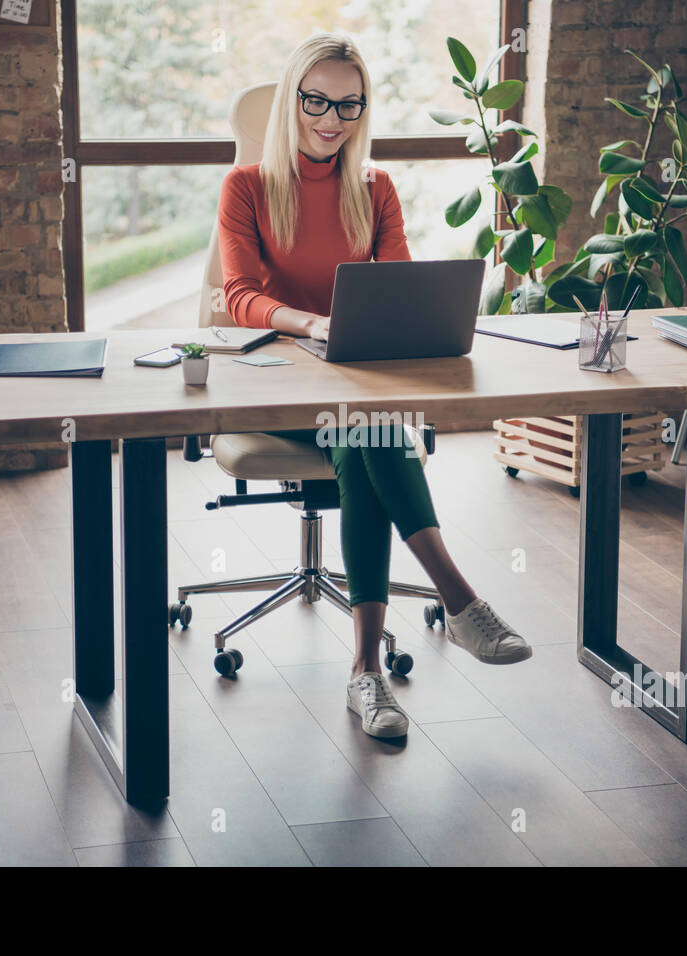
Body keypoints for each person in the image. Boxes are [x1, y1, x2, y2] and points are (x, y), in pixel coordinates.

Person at [216, 31, 530, 740]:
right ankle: (457, 603)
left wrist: (382, 327)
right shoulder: (247, 187)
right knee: (372, 433)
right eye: (317, 101)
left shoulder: (374, 188)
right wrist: (312, 323)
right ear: (292, 99)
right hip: (279, 388)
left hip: (359, 388)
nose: (332, 118)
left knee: (366, 434)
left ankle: (368, 675)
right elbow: (238, 295)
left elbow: (400, 288)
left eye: (349, 105)